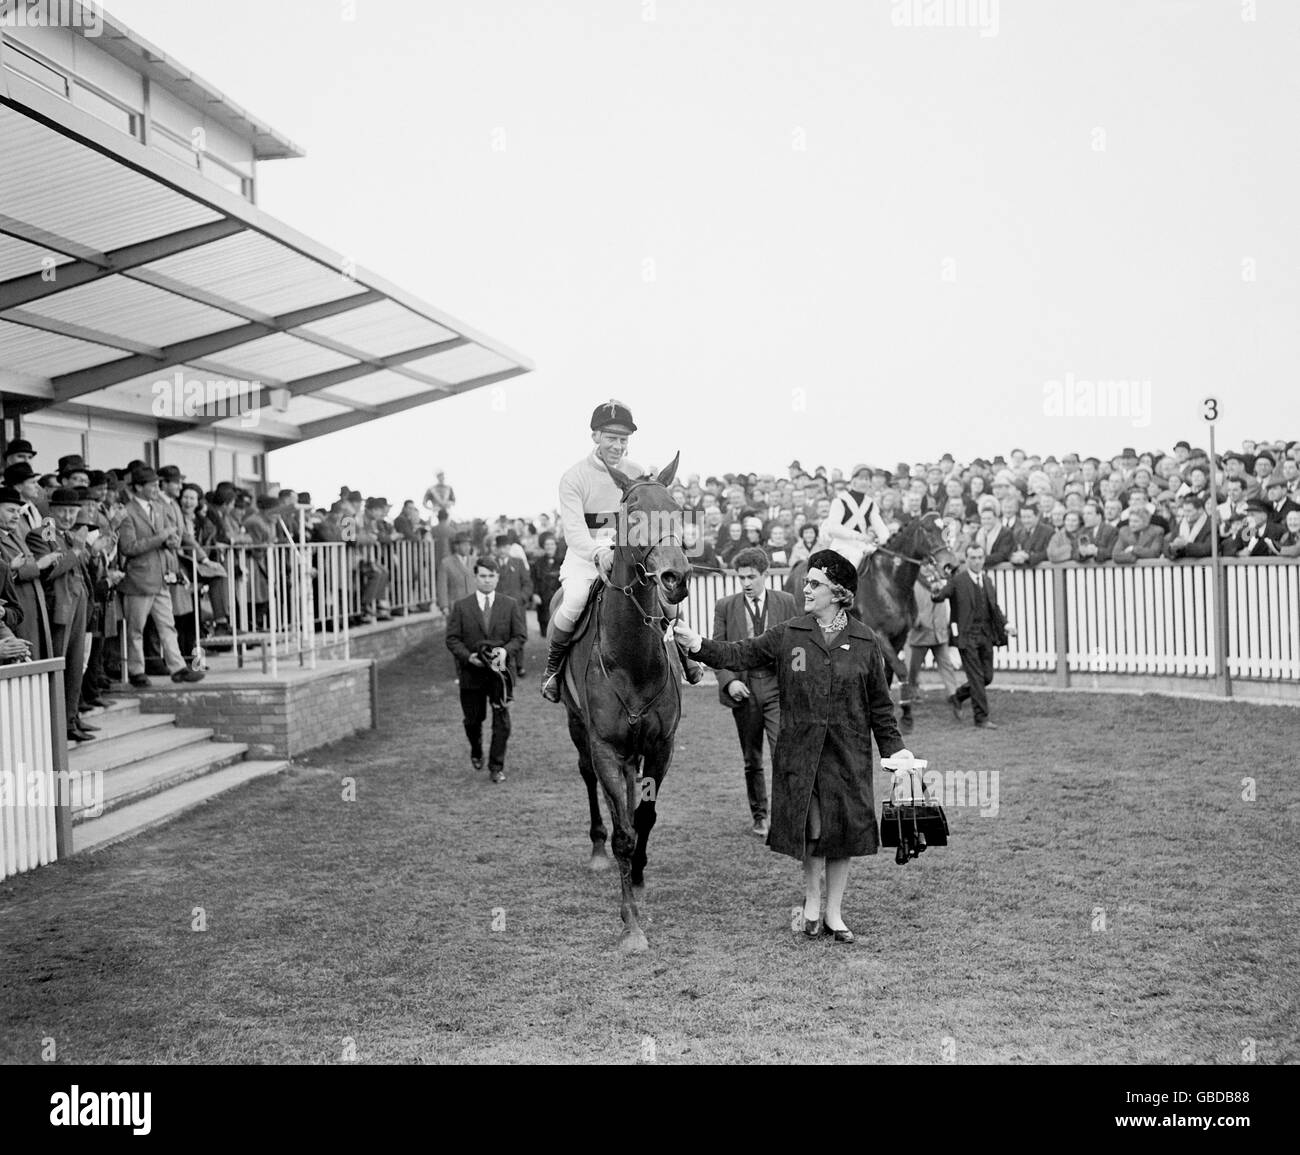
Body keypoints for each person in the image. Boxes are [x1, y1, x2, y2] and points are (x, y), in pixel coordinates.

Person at [674, 550, 914, 943]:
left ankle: (834, 914)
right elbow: (741, 652)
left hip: (847, 754)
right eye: (807, 581)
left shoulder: (865, 640)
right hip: (801, 753)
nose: (805, 588)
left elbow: (881, 708)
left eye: (814, 583)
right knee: (814, 830)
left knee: (844, 833)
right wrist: (697, 643)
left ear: (837, 593)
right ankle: (812, 901)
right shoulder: (790, 633)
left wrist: (896, 750)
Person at [541, 399, 701, 702]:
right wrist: (597, 553)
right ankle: (553, 667)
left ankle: (684, 651)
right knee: (574, 599)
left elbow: (648, 520)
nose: (617, 445)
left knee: (665, 599)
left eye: (623, 440)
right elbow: (574, 531)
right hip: (586, 556)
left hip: (628, 556)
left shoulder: (635, 471)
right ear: (595, 437)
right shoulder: (574, 477)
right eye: (611, 438)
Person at [712, 547, 800, 838]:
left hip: (777, 688)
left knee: (782, 754)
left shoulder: (786, 602)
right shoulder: (725, 606)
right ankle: (760, 816)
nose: (746, 583)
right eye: (742, 578)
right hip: (744, 690)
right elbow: (717, 650)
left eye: (751, 577)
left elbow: (799, 645)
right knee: (752, 759)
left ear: (765, 575)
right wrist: (729, 682)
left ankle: (784, 817)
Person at [116, 466, 204, 687]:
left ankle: (178, 668)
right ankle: (136, 671)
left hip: (161, 577)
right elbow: (128, 547)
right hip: (139, 580)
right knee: (136, 629)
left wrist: (170, 541)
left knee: (168, 625)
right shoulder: (127, 512)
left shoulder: (158, 507)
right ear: (138, 487)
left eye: (157, 484)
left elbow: (165, 536)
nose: (157, 489)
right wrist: (160, 537)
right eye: (152, 485)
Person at [444, 557, 526, 783]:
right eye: (483, 576)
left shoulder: (509, 604)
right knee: (472, 719)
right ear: (475, 577)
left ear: (497, 578)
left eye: (491, 576)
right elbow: (452, 639)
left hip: (500, 674)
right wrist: (468, 657)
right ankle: (476, 748)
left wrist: (505, 651)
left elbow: (520, 636)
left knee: (502, 720)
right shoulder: (462, 606)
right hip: (472, 672)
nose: (487, 580)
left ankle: (496, 766)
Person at [929, 543, 1016, 729]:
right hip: (966, 636)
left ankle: (958, 696)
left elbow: (994, 608)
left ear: (984, 559)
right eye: (973, 558)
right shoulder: (958, 581)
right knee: (977, 678)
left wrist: (1006, 624)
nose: (977, 562)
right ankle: (981, 718)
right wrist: (935, 588)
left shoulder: (987, 581)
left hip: (985, 635)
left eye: (979, 558)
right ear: (966, 560)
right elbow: (940, 596)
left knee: (987, 677)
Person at [906, 575, 963, 720]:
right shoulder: (912, 584)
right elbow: (906, 605)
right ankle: (912, 691)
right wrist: (915, 620)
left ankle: (953, 695)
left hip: (940, 632)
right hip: (920, 634)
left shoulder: (939, 582)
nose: (929, 568)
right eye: (925, 565)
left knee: (946, 665)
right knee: (914, 668)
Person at [820, 464, 890, 567]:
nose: (864, 482)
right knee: (856, 556)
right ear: (853, 480)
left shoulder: (871, 504)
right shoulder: (840, 501)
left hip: (863, 546)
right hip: (842, 545)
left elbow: (879, 526)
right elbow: (833, 528)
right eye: (861, 478)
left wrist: (886, 540)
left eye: (867, 479)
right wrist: (857, 536)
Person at [529, 532, 563, 638]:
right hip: (543, 599)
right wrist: (534, 594)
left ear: (555, 546)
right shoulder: (537, 563)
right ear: (544, 546)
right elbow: (533, 580)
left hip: (559, 599)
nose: (549, 547)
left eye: (552, 544)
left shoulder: (563, 561)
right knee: (545, 631)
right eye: (547, 544)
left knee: (560, 629)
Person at [436, 530, 477, 615]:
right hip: (456, 606)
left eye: (469, 544)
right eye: (464, 545)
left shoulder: (475, 561)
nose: (468, 547)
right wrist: (444, 606)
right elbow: (442, 586)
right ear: (456, 546)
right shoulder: (446, 563)